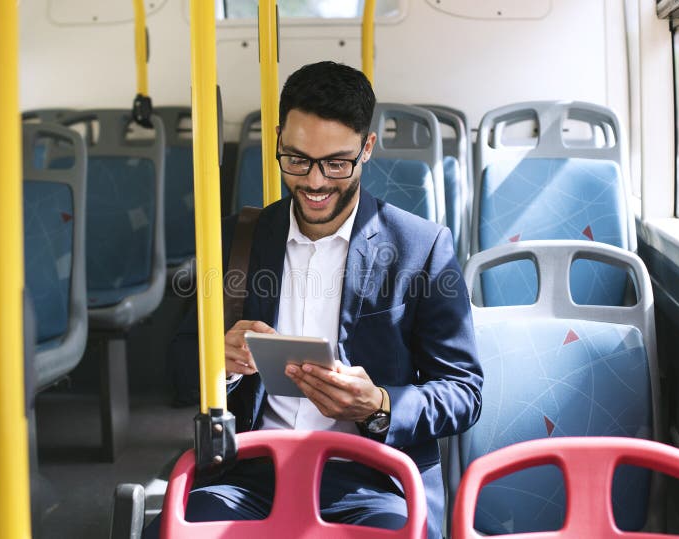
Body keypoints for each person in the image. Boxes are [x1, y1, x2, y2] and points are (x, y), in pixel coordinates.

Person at [149, 61, 482, 539]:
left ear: (367, 148)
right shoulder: (238, 241)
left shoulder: (421, 248)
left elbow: (463, 391)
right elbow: (178, 369)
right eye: (298, 160)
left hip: (371, 480)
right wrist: (216, 363)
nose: (316, 182)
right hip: (251, 474)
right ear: (279, 141)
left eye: (337, 163)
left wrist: (380, 404)